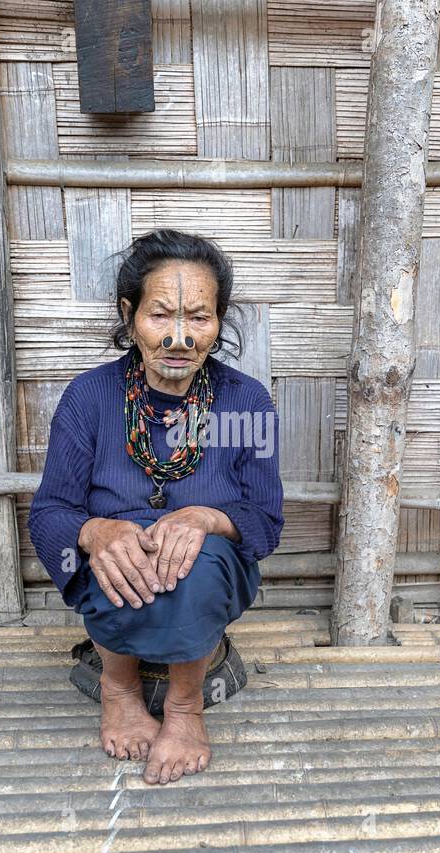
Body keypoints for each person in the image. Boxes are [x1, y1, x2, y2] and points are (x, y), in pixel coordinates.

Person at [28, 229, 283, 785]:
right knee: (110, 552)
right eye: (161, 315)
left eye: (198, 317)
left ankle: (185, 706)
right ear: (129, 314)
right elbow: (49, 513)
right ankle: (119, 688)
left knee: (198, 558)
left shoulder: (249, 402)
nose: (179, 338)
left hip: (205, 569)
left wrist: (207, 518)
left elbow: (265, 520)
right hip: (111, 566)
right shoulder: (89, 397)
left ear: (218, 322)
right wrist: (96, 530)